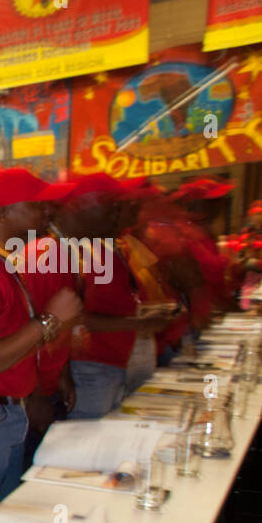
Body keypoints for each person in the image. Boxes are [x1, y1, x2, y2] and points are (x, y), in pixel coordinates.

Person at [0, 168, 82, 515]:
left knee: (1, 517)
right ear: (1, 214)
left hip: (1, 412)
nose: (47, 213)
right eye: (37, 206)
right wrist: (49, 322)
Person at [50, 175, 177, 418]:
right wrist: (142, 322)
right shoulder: (76, 251)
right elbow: (76, 317)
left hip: (111, 361)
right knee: (86, 443)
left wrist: (146, 313)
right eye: (115, 206)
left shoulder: (111, 246)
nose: (120, 214)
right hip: (91, 364)